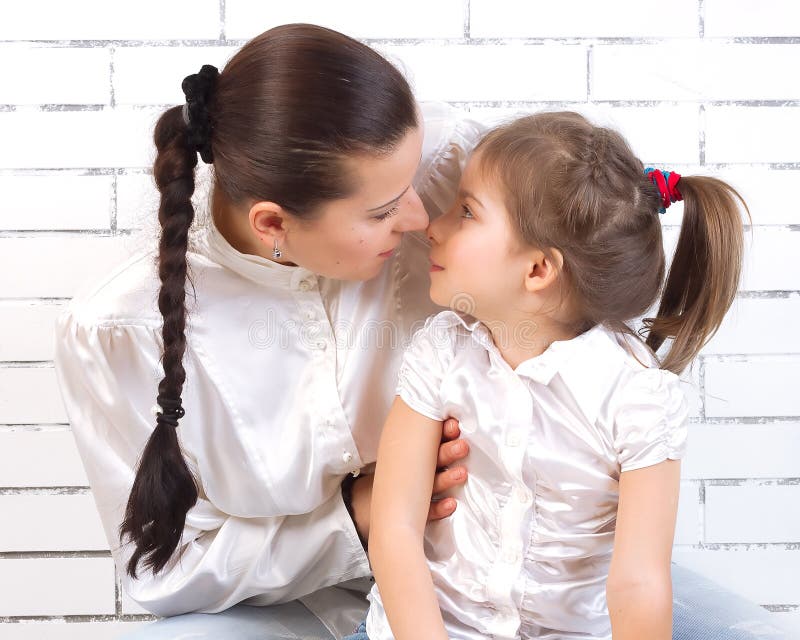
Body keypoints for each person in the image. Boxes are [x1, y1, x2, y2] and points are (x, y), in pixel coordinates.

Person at [53, 23, 795, 640]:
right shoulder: (118, 333)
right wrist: (353, 517)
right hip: (312, 604)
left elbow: (575, 241)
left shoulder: (457, 171)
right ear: (274, 225)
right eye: (381, 212)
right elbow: (163, 570)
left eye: (435, 195)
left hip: (557, 597)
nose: (421, 218)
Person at [355, 112, 751, 640]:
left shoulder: (637, 398)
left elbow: (638, 584)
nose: (434, 225)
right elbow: (394, 530)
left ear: (538, 269)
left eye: (466, 212)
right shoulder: (441, 350)